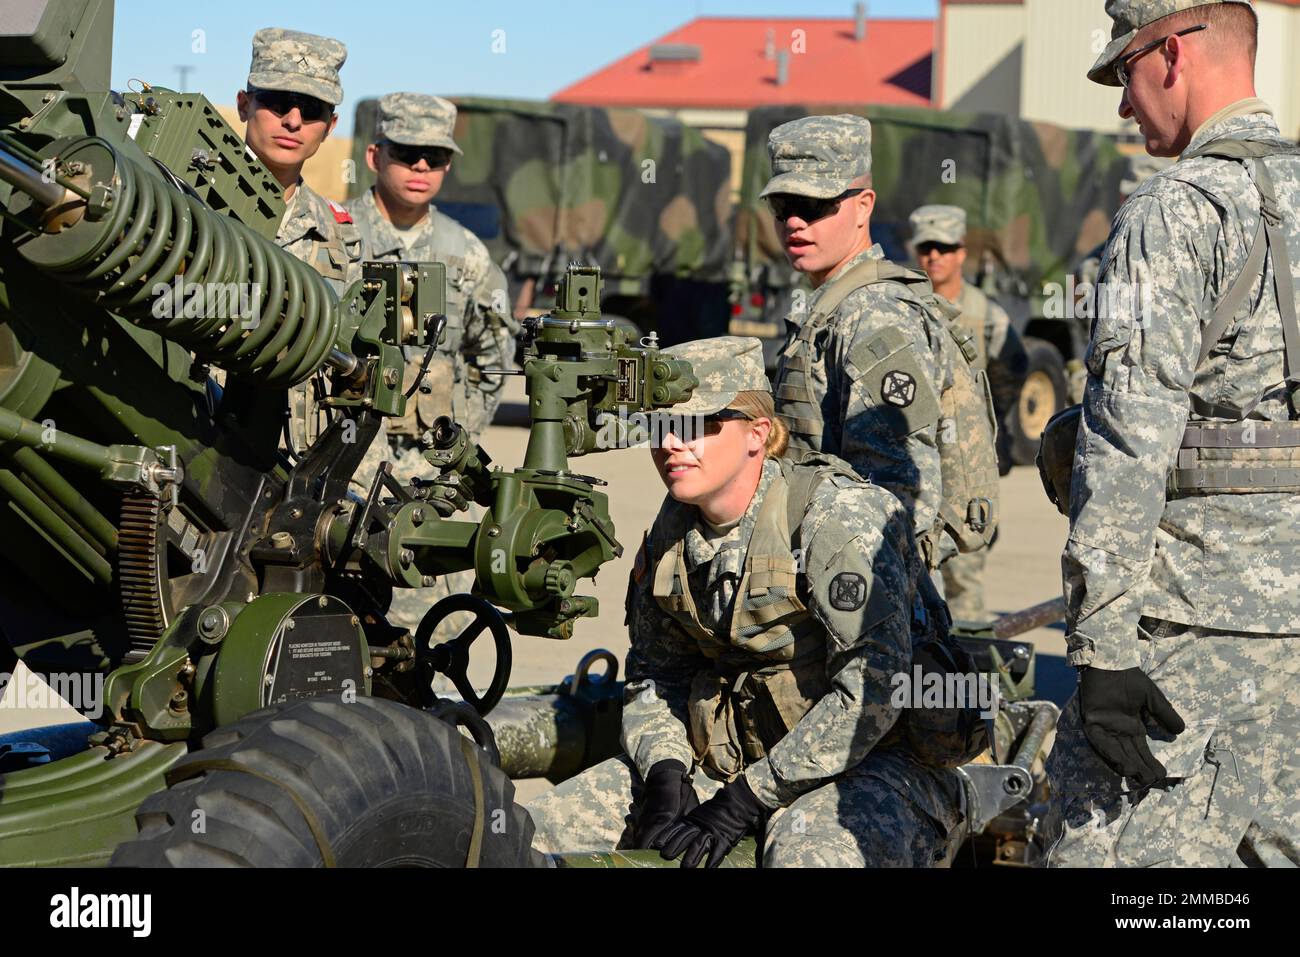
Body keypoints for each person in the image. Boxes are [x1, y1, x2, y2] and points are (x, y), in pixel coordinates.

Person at [527, 337, 978, 867]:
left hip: (873, 765)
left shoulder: (834, 518)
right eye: (658, 425)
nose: (670, 443)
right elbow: (657, 673)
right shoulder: (673, 529)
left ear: (757, 434)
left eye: (696, 425)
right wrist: (666, 774)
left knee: (804, 857)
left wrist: (746, 799)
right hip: (732, 758)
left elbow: (870, 692)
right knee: (536, 831)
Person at [1044, 0, 1300, 867]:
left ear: (1171, 55)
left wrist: (1102, 644)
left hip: (1191, 629)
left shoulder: (1175, 211)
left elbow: (1129, 436)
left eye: (1125, 73)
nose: (1124, 104)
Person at [765, 115, 1000, 603]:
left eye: (815, 205)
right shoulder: (833, 305)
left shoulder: (873, 314)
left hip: (864, 591)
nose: (794, 222)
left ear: (862, 205)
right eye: (783, 206)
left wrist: (867, 609)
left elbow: (896, 490)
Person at [346, 93, 516, 639]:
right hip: (343, 473)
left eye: (435, 157)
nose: (420, 166)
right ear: (375, 155)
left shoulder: (466, 255)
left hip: (427, 484)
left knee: (430, 636)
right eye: (406, 152)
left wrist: (453, 441)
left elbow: (493, 360)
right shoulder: (335, 237)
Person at [236, 27, 361, 454]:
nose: (292, 121)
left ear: (330, 127)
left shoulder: (341, 235)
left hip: (291, 466)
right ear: (244, 105)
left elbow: (353, 375)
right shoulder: (187, 202)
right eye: (276, 102)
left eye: (311, 110)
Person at [910, 205, 1028, 620]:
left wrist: (989, 431)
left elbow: (1011, 369)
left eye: (943, 248)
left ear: (961, 252)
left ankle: (967, 647)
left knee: (964, 568)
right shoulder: (904, 303)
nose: (934, 256)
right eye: (926, 247)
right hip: (916, 454)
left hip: (963, 461)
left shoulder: (985, 313)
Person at [1067, 153, 1169, 404]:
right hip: (1116, 397)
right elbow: (1088, 344)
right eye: (1130, 197)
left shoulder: (1186, 261)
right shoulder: (1094, 266)